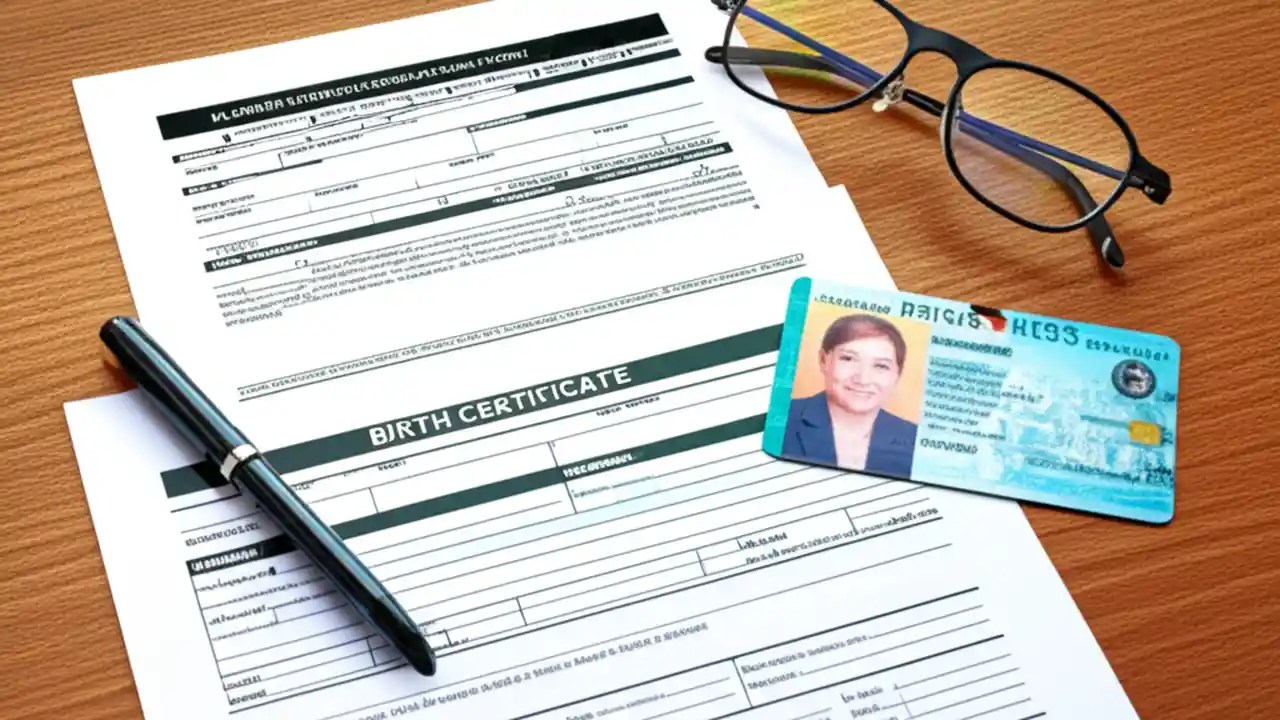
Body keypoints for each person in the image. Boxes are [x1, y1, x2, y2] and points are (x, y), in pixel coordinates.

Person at [781, 314, 918, 477]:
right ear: (823, 360)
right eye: (848, 359)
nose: (863, 379)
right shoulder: (782, 418)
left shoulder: (916, 440)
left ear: (897, 374)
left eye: (881, 366)